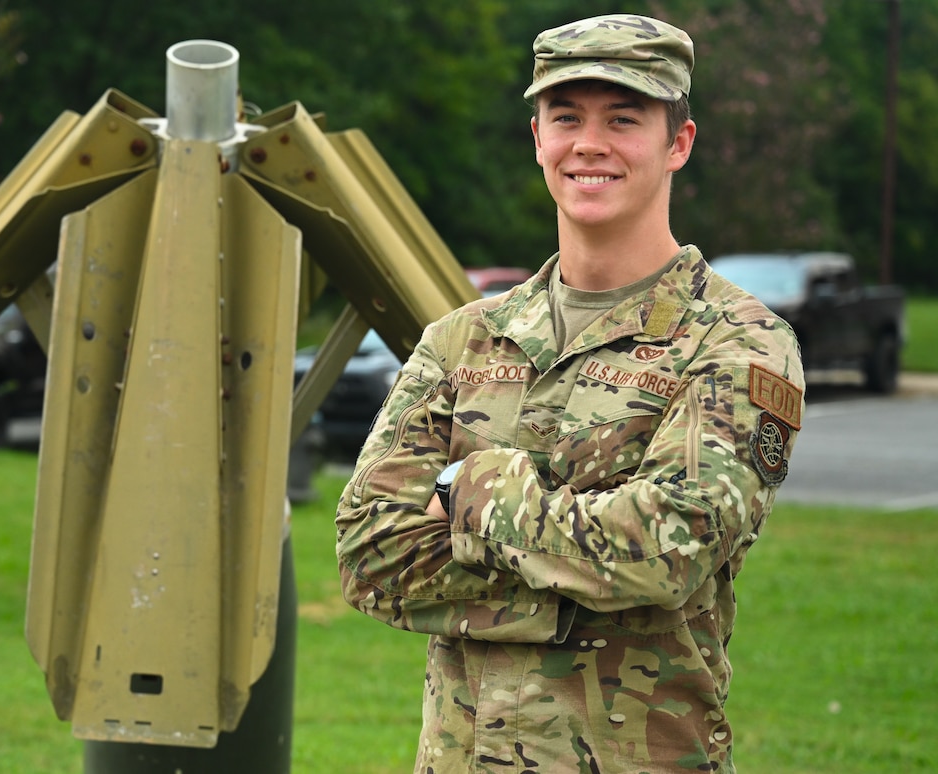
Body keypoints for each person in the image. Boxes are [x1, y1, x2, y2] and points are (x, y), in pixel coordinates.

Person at [335, 13, 805, 774]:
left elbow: (663, 551)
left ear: (677, 143)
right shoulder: (464, 339)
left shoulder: (737, 341)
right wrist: (587, 578)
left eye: (624, 119)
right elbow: (369, 553)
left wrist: (468, 489)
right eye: (567, 117)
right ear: (537, 138)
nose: (591, 143)